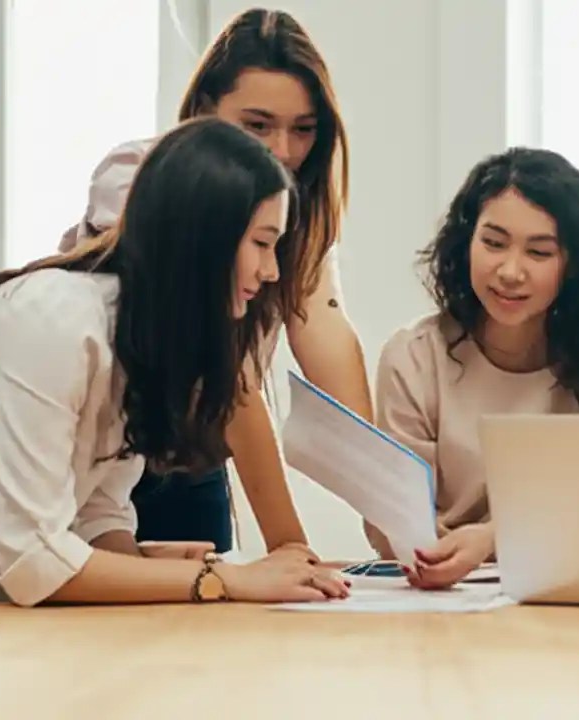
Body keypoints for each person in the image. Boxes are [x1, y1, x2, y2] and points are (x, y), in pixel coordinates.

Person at [0, 118, 349, 605]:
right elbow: (34, 563)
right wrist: (221, 580)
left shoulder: (143, 337)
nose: (271, 271)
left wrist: (150, 565)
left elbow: (98, 515)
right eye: (262, 244)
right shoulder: (54, 322)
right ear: (202, 239)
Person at [60, 9, 365, 558]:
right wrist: (291, 546)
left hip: (191, 458)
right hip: (99, 454)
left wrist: (394, 503)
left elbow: (327, 334)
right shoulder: (136, 177)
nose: (282, 151)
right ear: (203, 110)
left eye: (303, 129)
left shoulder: (295, 212)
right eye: (257, 125)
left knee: (214, 605)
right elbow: (227, 372)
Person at [364, 147, 579, 588]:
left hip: (571, 588)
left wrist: (495, 539)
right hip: (439, 594)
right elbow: (392, 523)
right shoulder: (413, 358)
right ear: (466, 243)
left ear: (573, 265)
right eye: (493, 243)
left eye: (539, 252)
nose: (510, 271)